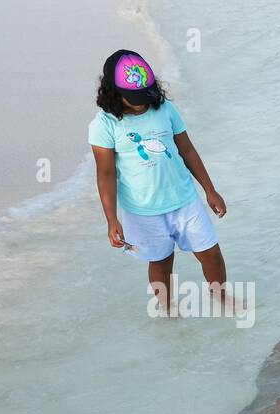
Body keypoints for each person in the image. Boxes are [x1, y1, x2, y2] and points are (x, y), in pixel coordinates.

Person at [88, 50, 230, 315]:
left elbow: (187, 150)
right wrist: (111, 219)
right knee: (162, 261)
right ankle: (167, 310)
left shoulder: (165, 109)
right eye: (134, 99)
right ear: (112, 92)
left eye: (145, 95)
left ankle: (222, 300)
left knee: (211, 253)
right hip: (143, 211)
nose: (141, 103)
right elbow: (105, 174)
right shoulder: (104, 125)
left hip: (185, 200)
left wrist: (210, 190)